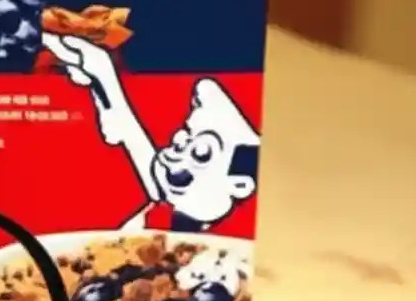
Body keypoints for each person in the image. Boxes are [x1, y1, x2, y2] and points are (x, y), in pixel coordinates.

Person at [43, 34, 261, 234]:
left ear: (239, 185)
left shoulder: (224, 241)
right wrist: (102, 73)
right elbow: (133, 139)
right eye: (182, 140)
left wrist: (103, 74)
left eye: (201, 153)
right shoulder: (169, 208)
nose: (175, 150)